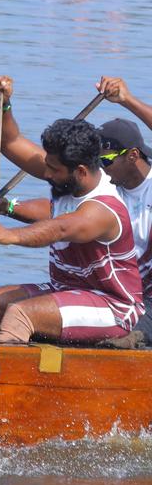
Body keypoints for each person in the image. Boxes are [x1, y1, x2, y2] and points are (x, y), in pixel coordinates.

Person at [0, 75, 143, 345]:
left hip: (113, 307)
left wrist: (11, 235)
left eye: (53, 169)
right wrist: (2, 106)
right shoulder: (67, 176)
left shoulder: (104, 208)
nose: (47, 173)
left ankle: (7, 383)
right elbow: (9, 142)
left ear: (79, 171)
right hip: (66, 290)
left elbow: (61, 227)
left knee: (20, 313)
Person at [95, 76, 152, 341]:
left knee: (116, 337)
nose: (101, 170)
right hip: (122, 294)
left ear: (133, 156)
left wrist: (126, 100)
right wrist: (11, 207)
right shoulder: (109, 190)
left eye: (105, 161)